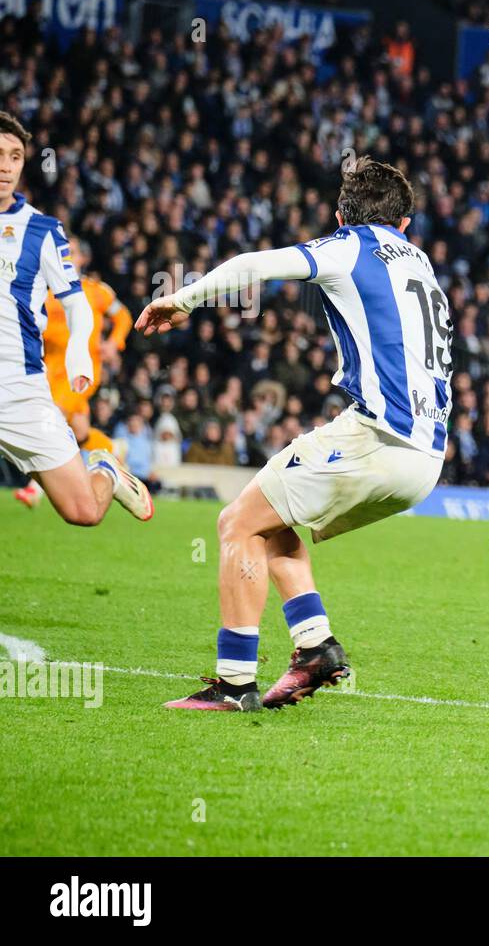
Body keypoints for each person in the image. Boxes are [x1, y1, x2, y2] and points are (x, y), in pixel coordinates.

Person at [135, 157, 452, 712]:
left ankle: (234, 685)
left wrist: (182, 300)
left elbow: (253, 264)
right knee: (272, 522)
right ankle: (315, 647)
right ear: (406, 225)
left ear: (340, 217)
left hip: (375, 437)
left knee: (235, 522)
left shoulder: (349, 245)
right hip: (427, 458)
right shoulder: (422, 264)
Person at [0, 111, 152, 524]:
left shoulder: (42, 231)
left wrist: (83, 355)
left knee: (83, 512)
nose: (5, 165)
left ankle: (105, 470)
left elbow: (77, 303)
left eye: (15, 156)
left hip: (20, 389)